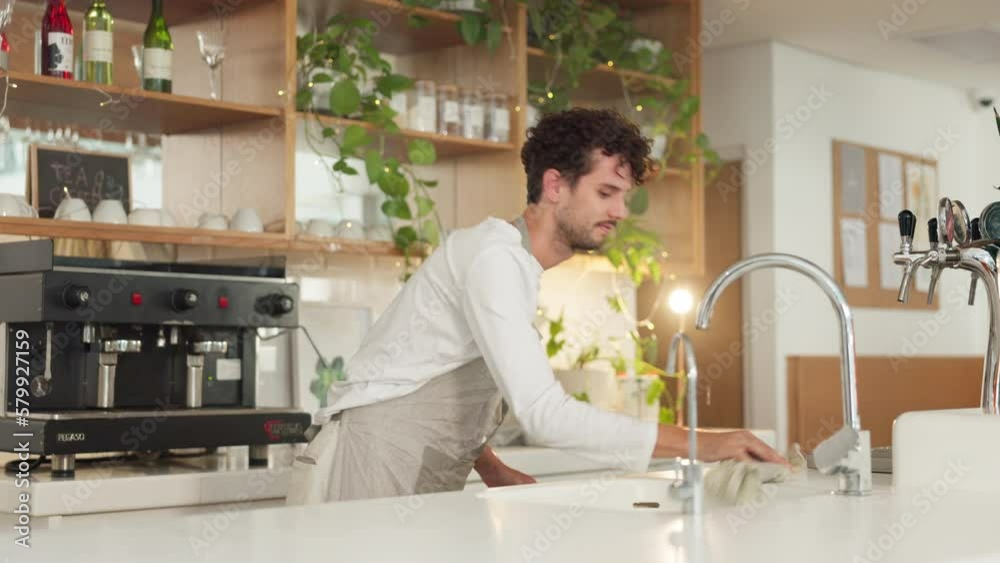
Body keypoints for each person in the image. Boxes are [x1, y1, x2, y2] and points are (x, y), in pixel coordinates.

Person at [285, 107, 786, 505]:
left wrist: (492, 468)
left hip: (407, 473)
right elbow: (546, 415)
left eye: (623, 197)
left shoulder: (511, 263)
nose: (618, 211)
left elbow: (426, 371)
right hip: (368, 473)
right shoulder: (493, 259)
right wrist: (706, 442)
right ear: (554, 186)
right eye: (606, 192)